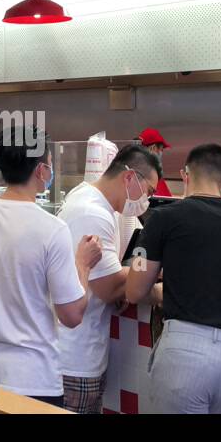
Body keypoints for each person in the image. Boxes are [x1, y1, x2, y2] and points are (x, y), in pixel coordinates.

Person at [0, 125, 102, 406]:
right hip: (35, 381)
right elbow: (71, 315)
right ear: (40, 170)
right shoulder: (52, 229)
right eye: (48, 163)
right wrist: (83, 265)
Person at [125, 144, 221, 414]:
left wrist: (162, 290)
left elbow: (134, 289)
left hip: (185, 353)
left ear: (186, 175)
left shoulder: (162, 219)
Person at [57, 146, 163, 414]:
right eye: (149, 191)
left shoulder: (86, 197)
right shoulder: (94, 212)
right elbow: (111, 287)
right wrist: (153, 269)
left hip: (75, 351)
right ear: (129, 178)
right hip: (75, 357)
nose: (147, 201)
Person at [136, 128, 173, 196]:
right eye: (161, 150)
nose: (161, 153)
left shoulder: (131, 173)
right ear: (153, 148)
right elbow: (167, 202)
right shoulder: (154, 175)